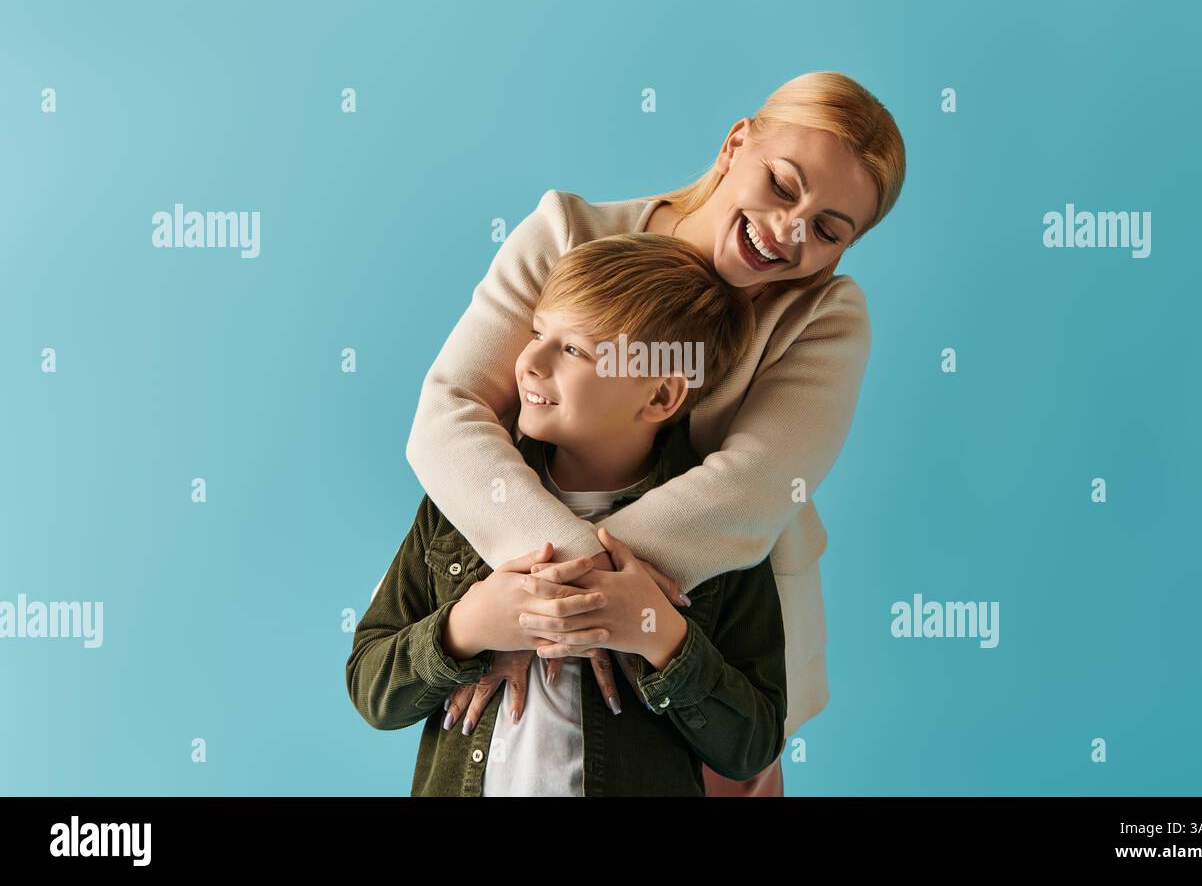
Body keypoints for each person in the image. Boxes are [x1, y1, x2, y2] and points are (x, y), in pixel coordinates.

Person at [405, 72, 906, 795]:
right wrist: (547, 606)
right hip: (521, 593)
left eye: (828, 230)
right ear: (736, 144)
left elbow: (754, 487)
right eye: (781, 184)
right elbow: (449, 413)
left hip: (718, 644)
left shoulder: (824, 317)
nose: (789, 229)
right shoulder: (568, 234)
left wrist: (574, 610)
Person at [347, 235, 785, 795]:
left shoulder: (718, 531)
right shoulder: (461, 501)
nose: (530, 362)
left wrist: (661, 636)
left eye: (574, 350)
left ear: (659, 395)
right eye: (537, 333)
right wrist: (467, 626)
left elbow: (752, 746)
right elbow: (371, 690)